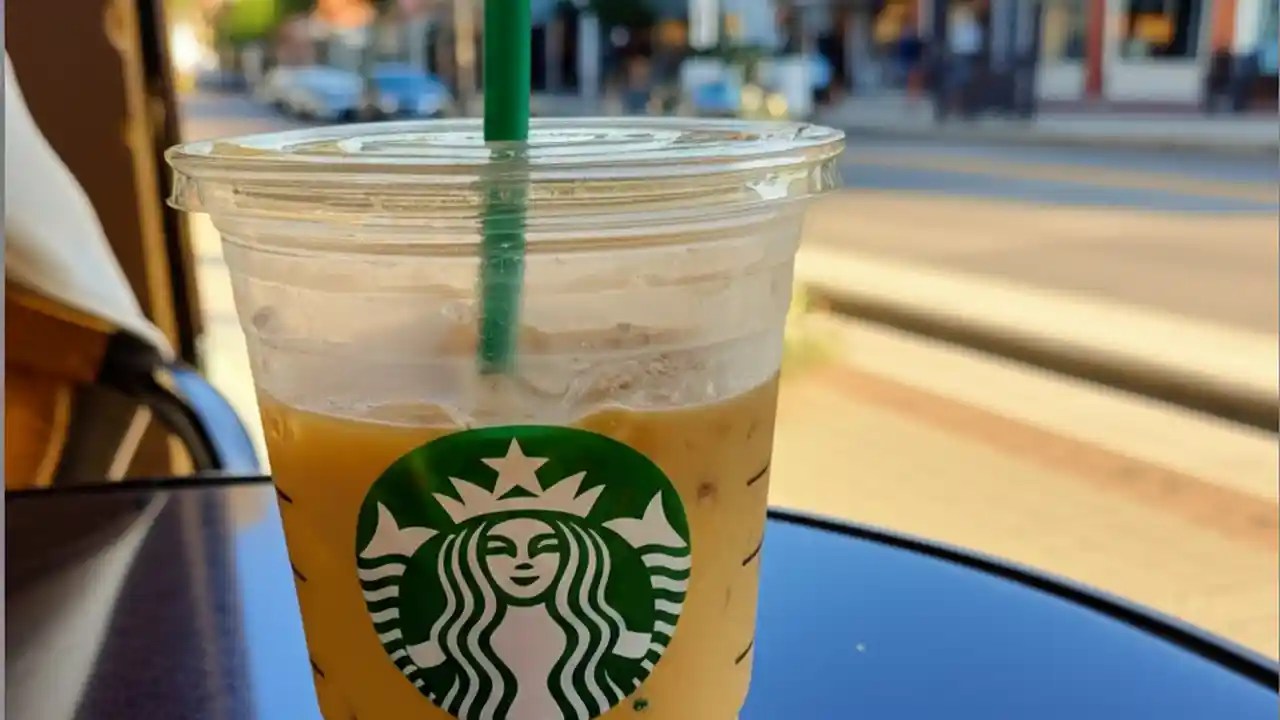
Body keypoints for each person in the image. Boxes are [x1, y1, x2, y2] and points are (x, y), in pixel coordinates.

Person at [942, 2, 984, 120]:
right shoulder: (960, 14)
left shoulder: (970, 16)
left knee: (964, 80)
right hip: (961, 51)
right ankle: (954, 108)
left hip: (968, 51)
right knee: (960, 80)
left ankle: (959, 108)